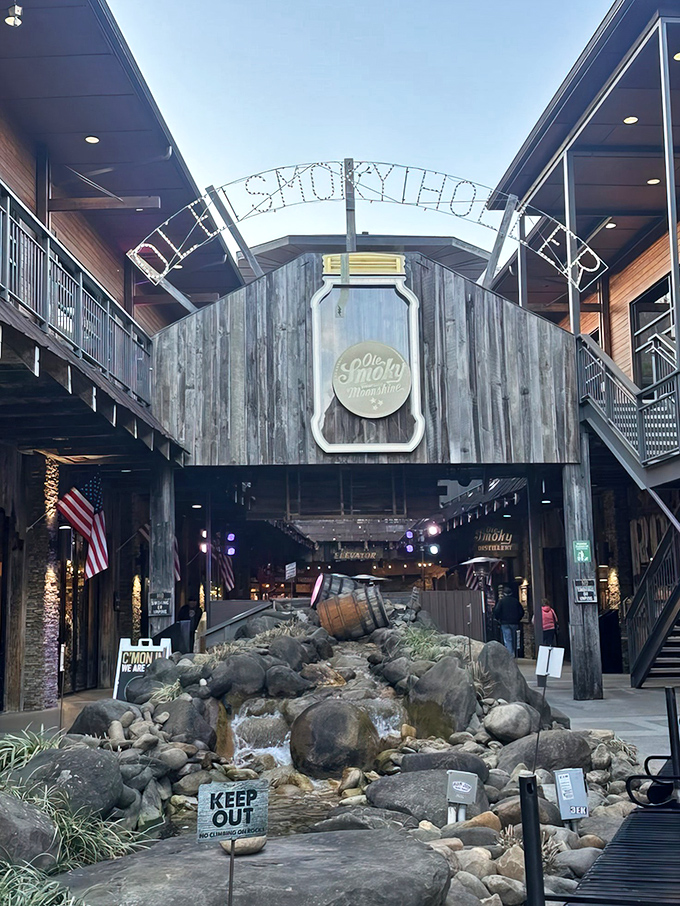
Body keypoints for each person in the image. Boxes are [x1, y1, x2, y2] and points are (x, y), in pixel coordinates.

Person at [493, 584, 524, 656]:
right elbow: (521, 611)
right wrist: (518, 618)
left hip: (504, 623)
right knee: (514, 638)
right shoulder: (515, 601)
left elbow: (497, 611)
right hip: (514, 622)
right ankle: (515, 653)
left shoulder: (501, 601)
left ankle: (511, 654)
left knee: (508, 639)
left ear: (504, 593)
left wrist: (498, 619)